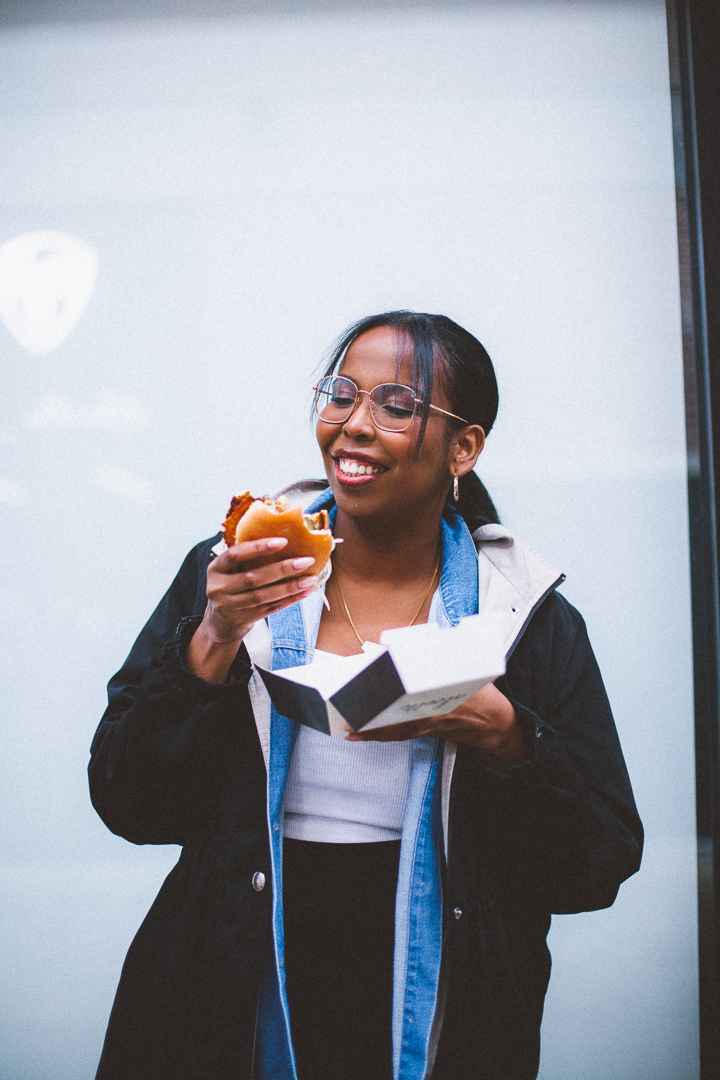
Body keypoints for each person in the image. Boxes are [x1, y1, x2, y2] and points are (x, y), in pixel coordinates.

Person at [89, 311, 643, 1080]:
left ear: (465, 447)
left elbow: (599, 863)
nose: (353, 425)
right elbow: (127, 801)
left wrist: (505, 734)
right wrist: (213, 638)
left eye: (397, 405)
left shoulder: (520, 612)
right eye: (342, 393)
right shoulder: (238, 570)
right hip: (228, 987)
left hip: (448, 1009)